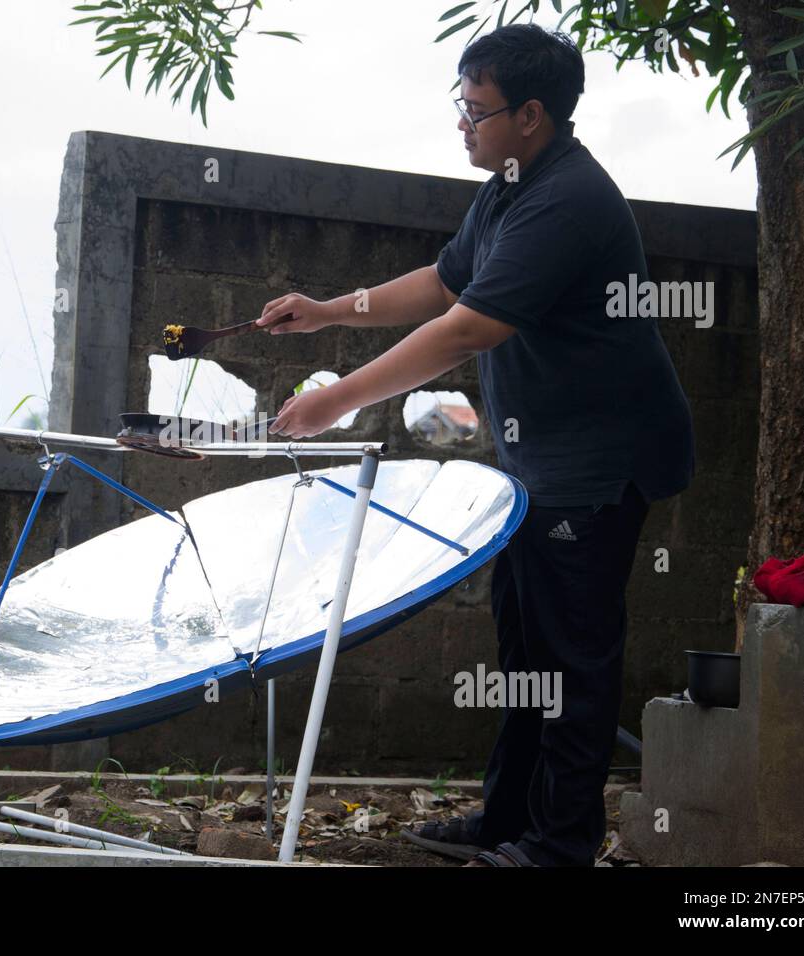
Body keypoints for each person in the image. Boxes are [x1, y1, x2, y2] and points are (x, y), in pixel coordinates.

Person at [257, 23, 694, 867]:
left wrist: (336, 402)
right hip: (539, 460)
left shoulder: (569, 199)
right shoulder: (509, 182)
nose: (463, 122)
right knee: (524, 644)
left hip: (600, 462)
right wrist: (326, 309)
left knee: (570, 653)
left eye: (476, 109)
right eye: (460, 105)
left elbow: (465, 330)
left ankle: (559, 845)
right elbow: (444, 281)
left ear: (532, 114)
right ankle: (506, 822)